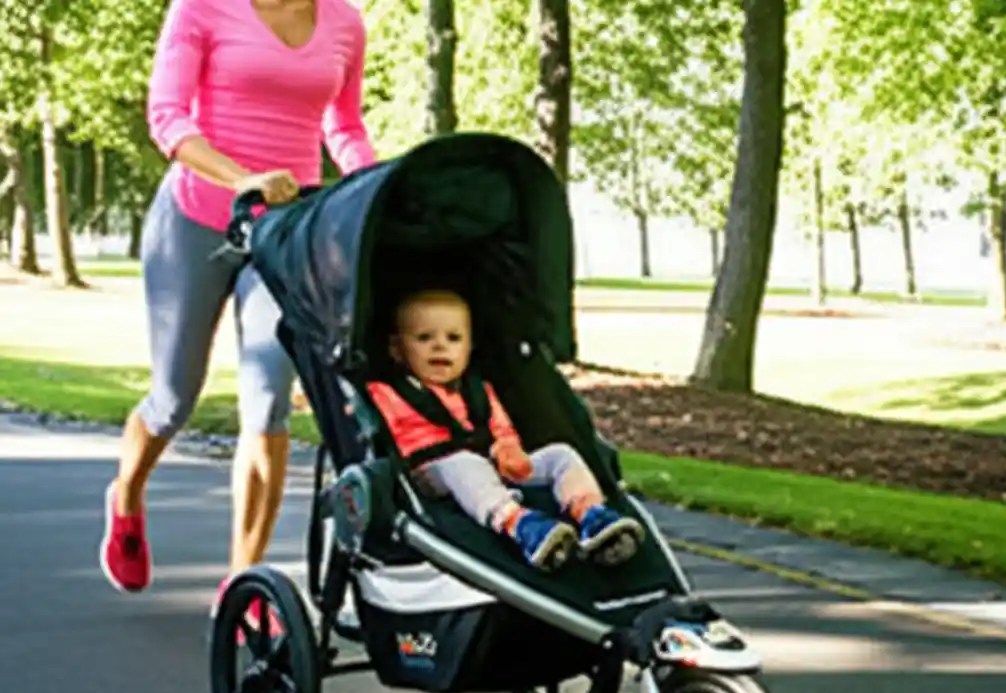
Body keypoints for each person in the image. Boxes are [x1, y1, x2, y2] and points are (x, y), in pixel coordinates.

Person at [99, 0, 378, 619]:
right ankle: (126, 495)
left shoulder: (344, 23)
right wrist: (242, 177)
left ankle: (241, 583)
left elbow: (345, 125)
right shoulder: (201, 8)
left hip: (282, 234)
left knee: (268, 398)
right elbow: (167, 119)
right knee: (173, 399)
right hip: (195, 223)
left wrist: (372, 188)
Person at [366, 289, 645, 570]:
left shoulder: (479, 392)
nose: (440, 347)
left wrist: (508, 449)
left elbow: (501, 428)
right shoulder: (388, 393)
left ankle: (592, 515)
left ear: (469, 347)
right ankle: (518, 523)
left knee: (560, 454)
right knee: (465, 463)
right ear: (397, 349)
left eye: (453, 338)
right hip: (431, 470)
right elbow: (374, 427)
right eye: (424, 338)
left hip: (489, 462)